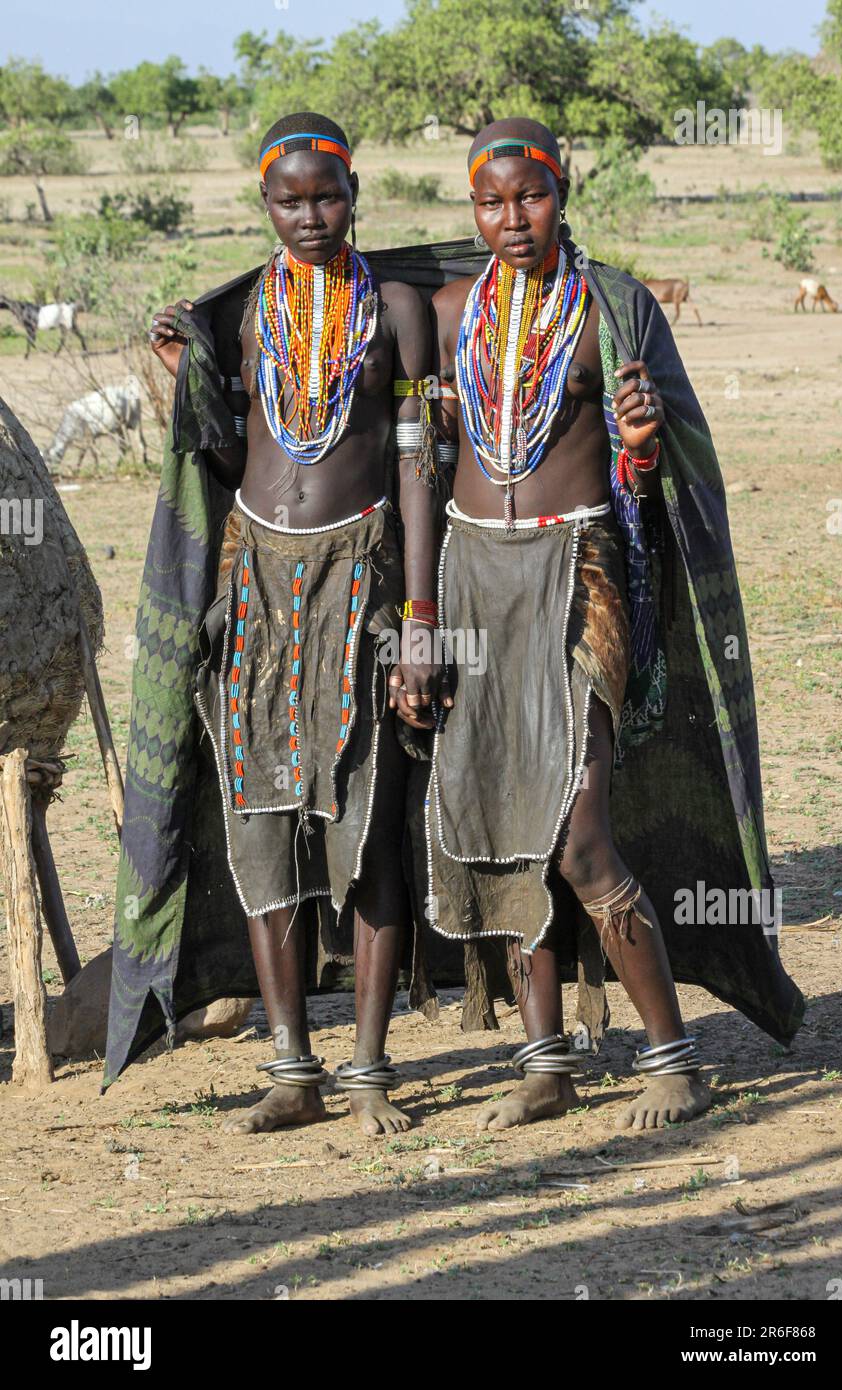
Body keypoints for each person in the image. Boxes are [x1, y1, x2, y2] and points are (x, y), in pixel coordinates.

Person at [426, 117, 802, 1131]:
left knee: (578, 834)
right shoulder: (454, 311)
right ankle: (543, 1064)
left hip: (581, 573)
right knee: (507, 833)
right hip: (473, 582)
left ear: (563, 191)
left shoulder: (612, 309)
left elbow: (663, 465)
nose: (512, 218)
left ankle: (671, 1057)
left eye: (530, 196)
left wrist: (638, 449)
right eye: (490, 202)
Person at [145, 112, 448, 1136]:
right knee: (262, 824)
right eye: (289, 200)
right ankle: (291, 1067)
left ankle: (365, 1065)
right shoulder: (240, 318)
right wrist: (179, 368)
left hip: (361, 578)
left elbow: (416, 467)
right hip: (256, 583)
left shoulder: (399, 311)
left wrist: (417, 617)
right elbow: (219, 456)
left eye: (327, 196)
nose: (310, 216)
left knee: (362, 824)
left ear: (354, 191)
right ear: (263, 205)